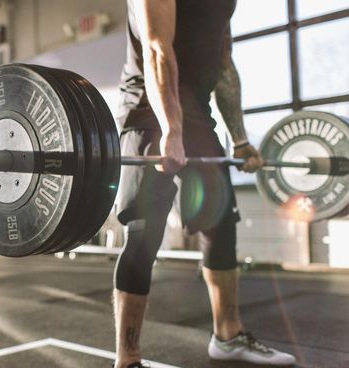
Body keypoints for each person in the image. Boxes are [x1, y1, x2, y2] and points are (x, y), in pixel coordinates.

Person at [112, 0, 297, 367]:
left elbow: (224, 64)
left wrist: (241, 140)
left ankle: (227, 336)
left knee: (221, 223)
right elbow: (156, 48)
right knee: (144, 231)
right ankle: (127, 358)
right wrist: (171, 131)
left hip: (196, 111)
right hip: (148, 109)